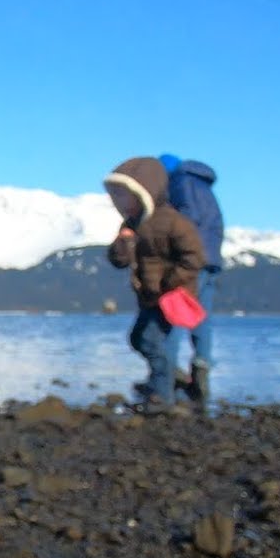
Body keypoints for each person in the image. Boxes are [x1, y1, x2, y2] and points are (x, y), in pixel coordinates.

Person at [103, 156, 205, 415]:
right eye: (115, 196)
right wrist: (123, 244)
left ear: (143, 192)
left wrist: (170, 283)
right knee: (138, 339)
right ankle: (171, 377)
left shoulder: (173, 222)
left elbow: (194, 257)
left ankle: (162, 396)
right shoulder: (132, 224)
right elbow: (118, 260)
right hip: (148, 296)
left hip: (169, 296)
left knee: (150, 341)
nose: (118, 202)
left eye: (122, 195)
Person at [159, 154, 224, 409]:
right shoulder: (203, 186)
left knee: (175, 313)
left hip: (192, 259)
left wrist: (173, 249)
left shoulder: (181, 181)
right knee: (201, 317)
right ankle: (201, 374)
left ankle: (167, 377)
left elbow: (186, 218)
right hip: (212, 258)